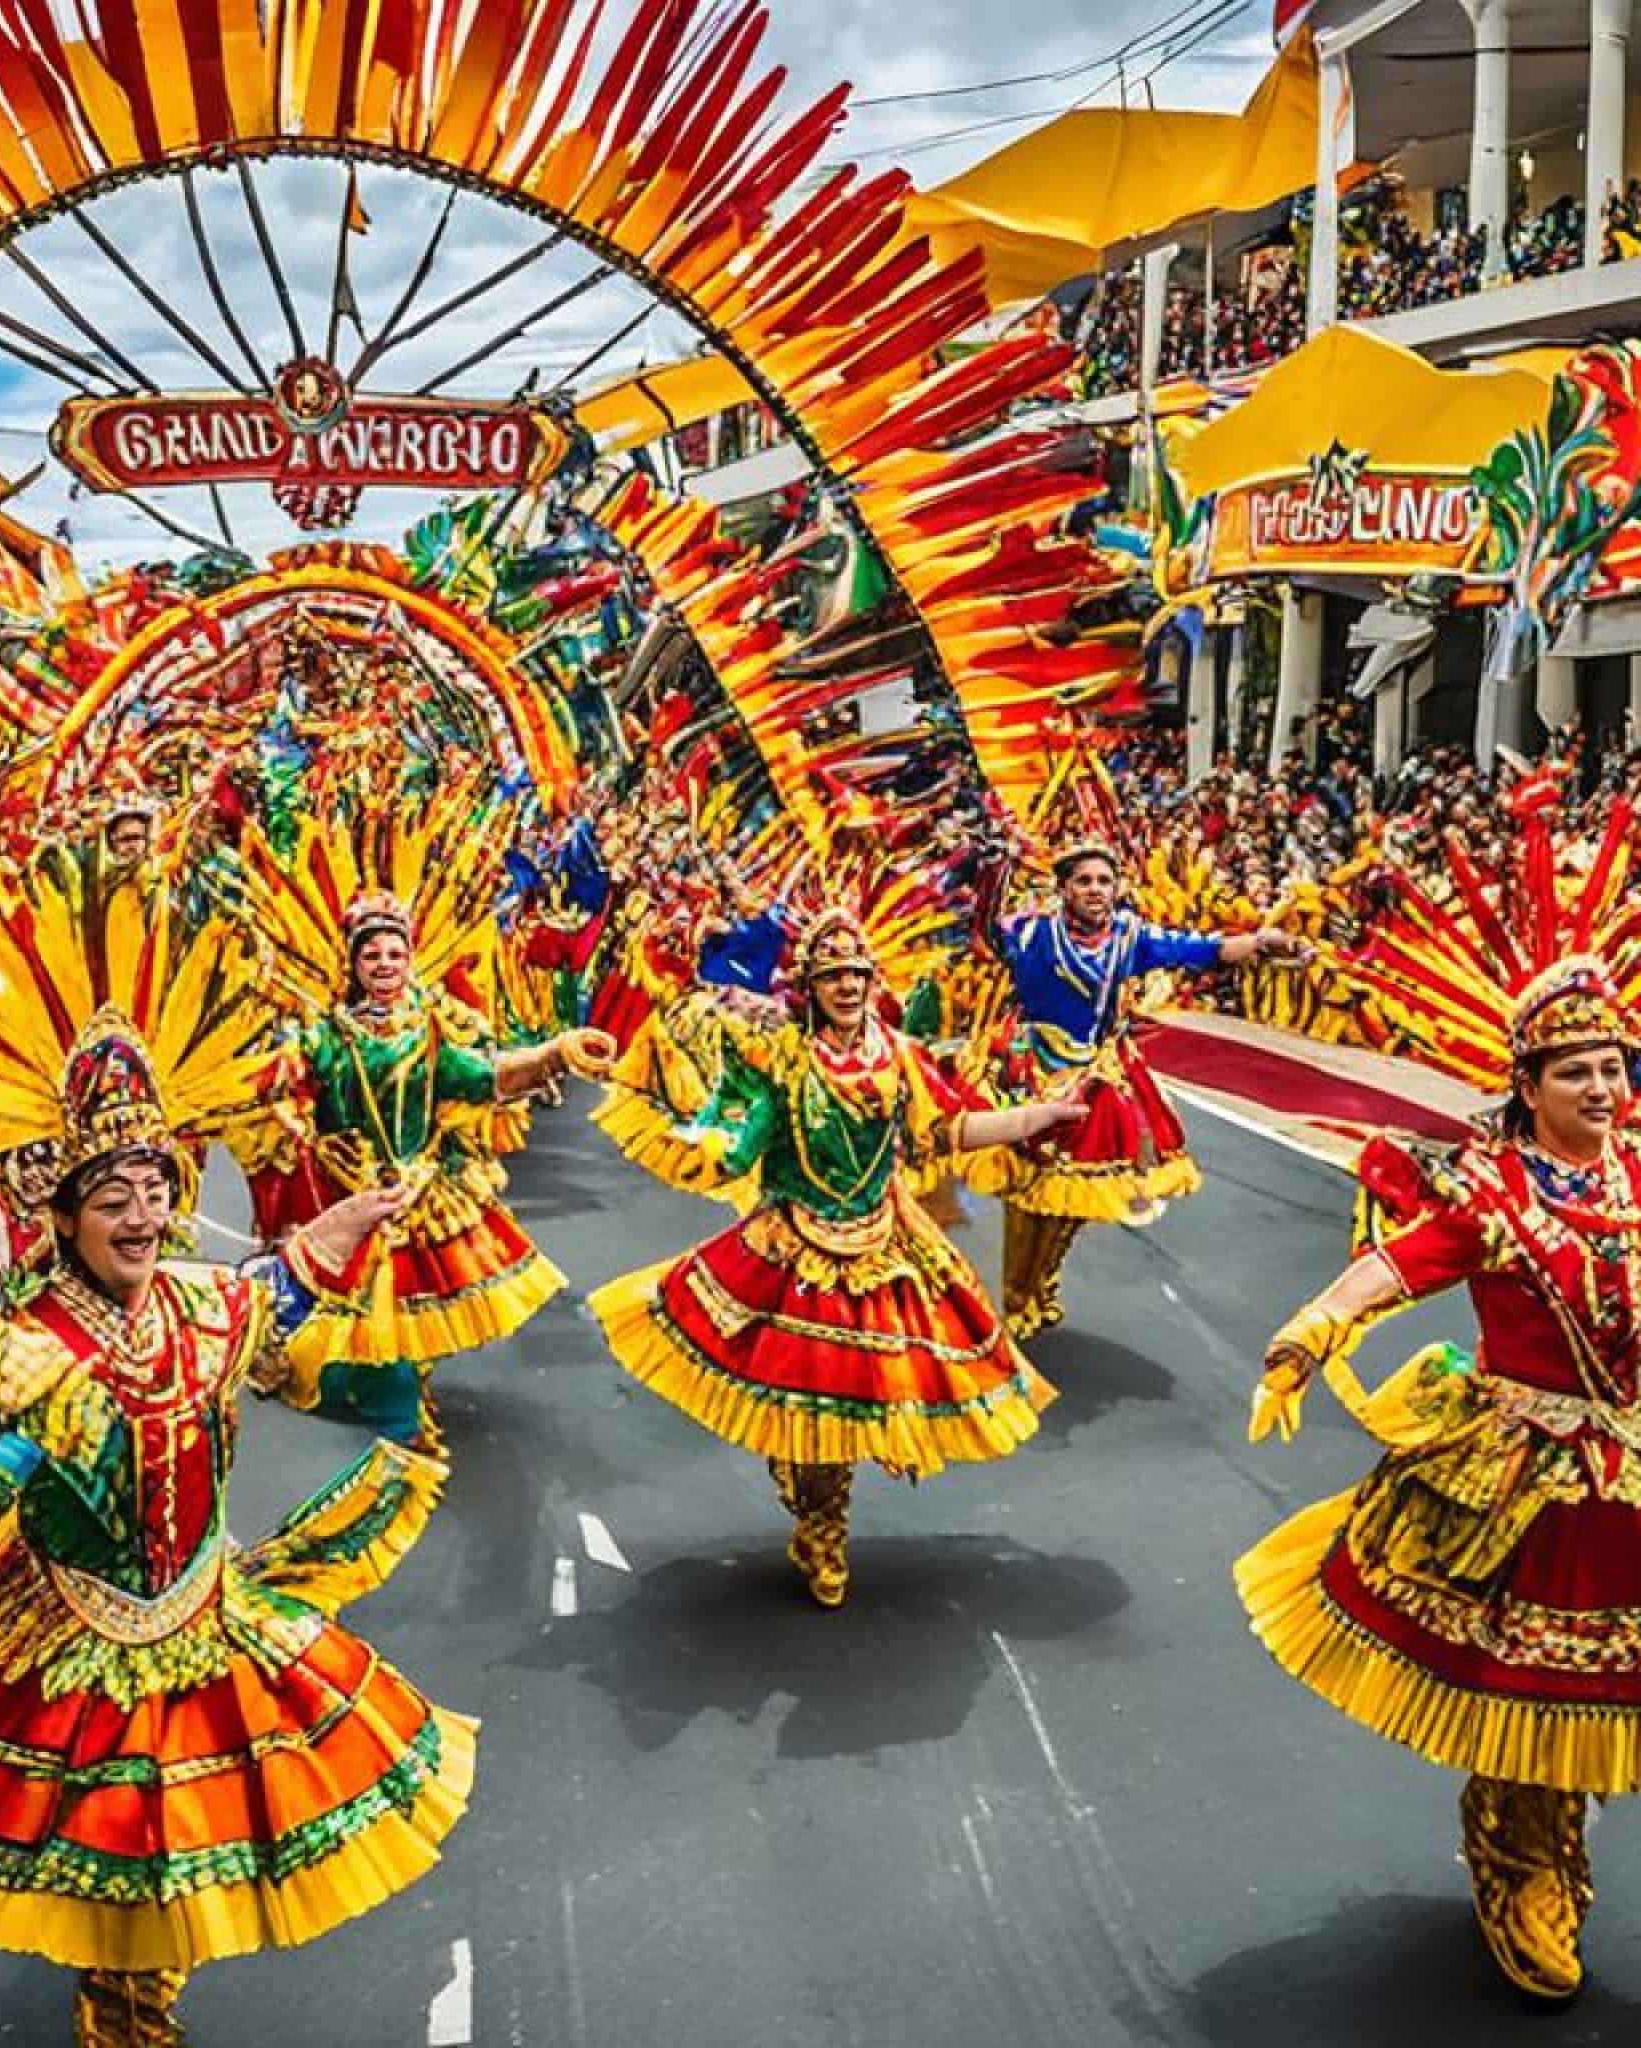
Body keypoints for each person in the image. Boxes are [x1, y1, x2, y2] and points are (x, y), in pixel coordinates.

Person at [0, 1005, 476, 2047]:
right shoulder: (25, 1339)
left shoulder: (203, 1306)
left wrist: (354, 1216)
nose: (139, 1217)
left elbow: (283, 1282)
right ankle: (118, 2007)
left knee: (179, 1841)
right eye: (110, 1199)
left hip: (202, 1611)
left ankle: (136, 1998)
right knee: (119, 1844)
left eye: (154, 1192)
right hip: (72, 1630)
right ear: (64, 1218)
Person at [1237, 956, 1641, 2001]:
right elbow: (1399, 1263)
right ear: (1528, 1087)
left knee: (1609, 1687)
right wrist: (1311, 1328)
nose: (1601, 1088)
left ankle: (1539, 1835)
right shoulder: (1491, 1193)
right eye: (1575, 1072)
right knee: (1539, 1683)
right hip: (1525, 1477)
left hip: (1630, 1470)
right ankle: (1521, 1860)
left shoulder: (1636, 1175)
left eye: (1612, 1067)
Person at [589, 908, 1084, 1608]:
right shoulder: (782, 1061)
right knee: (812, 1403)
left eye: (857, 974)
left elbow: (948, 1130)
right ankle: (818, 1523)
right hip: (797, 1249)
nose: (848, 987)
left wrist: (1037, 1117)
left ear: (873, 981)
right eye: (832, 976)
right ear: (811, 988)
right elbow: (739, 1145)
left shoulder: (899, 1057)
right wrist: (695, 1141)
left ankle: (822, 1518)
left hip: (883, 1246)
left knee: (853, 1404)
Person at [261, 890, 614, 1449]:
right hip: (349, 1198)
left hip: (419, 1189)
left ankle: (391, 1386)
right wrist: (294, 1105)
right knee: (370, 1311)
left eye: (394, 954)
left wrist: (556, 1053)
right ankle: (399, 1425)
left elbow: (485, 1077)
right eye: (371, 955)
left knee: (409, 1311)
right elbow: (288, 1095)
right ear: (353, 965)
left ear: (410, 960)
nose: (384, 965)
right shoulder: (327, 1036)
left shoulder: (426, 1031)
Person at [969, 838, 1307, 1339]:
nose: (1095, 890)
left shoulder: (1129, 937)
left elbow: (1200, 948)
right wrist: (991, 868)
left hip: (1093, 1079)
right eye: (1083, 881)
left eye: (1104, 881)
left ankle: (1044, 1279)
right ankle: (1018, 1295)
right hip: (1034, 1074)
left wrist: (1261, 942)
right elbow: (984, 932)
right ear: (1063, 888)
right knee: (1029, 1193)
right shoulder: (1033, 932)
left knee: (1079, 1196)